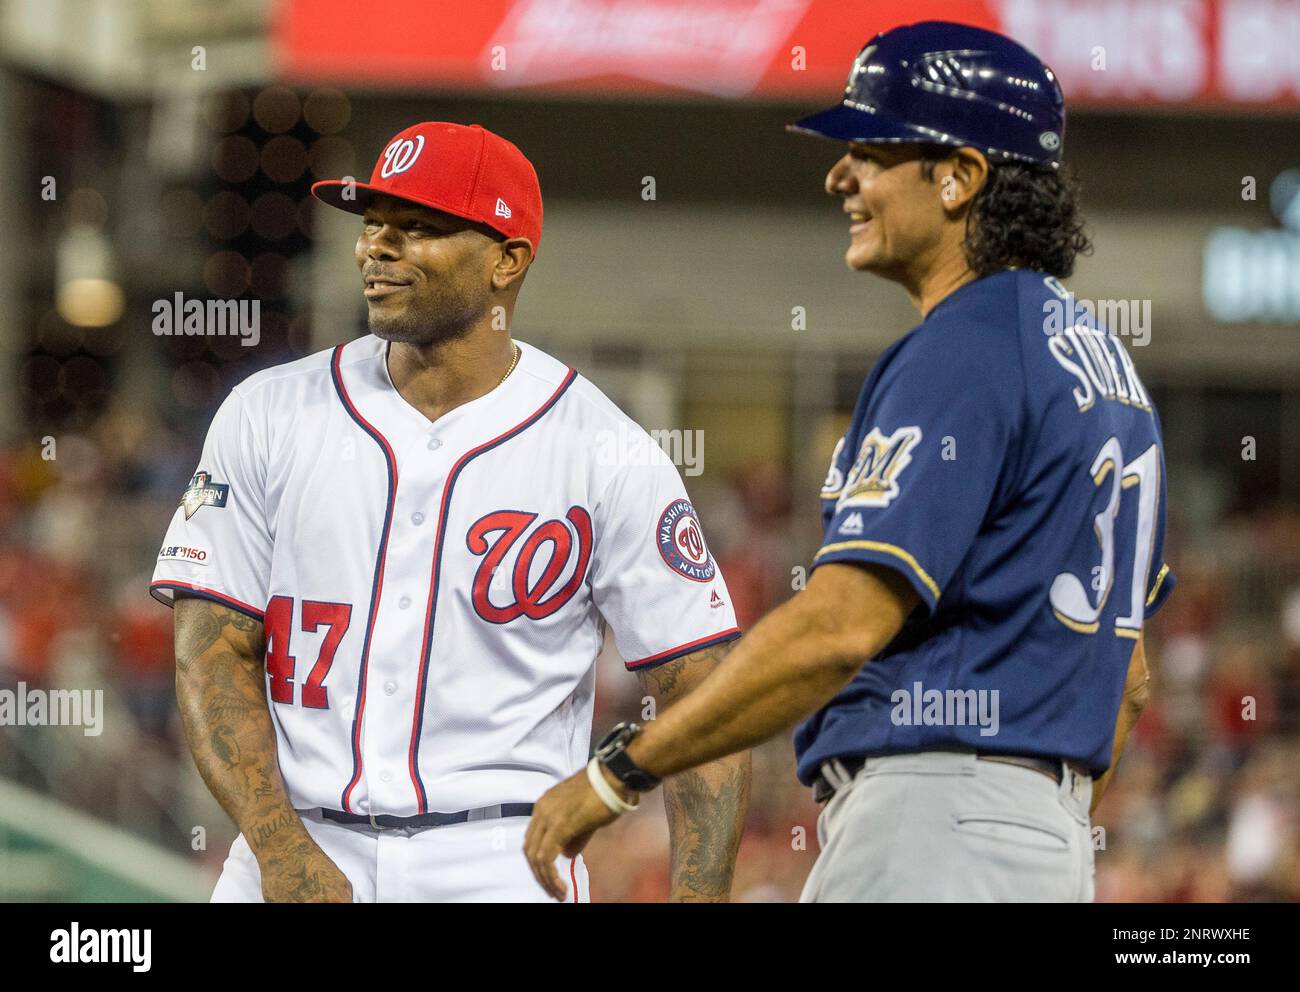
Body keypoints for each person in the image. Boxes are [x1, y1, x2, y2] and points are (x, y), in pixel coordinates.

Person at [524, 21, 1173, 903]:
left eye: (870, 150)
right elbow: (1129, 682)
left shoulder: (967, 346)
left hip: (933, 825)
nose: (840, 176)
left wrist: (617, 774)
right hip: (1042, 838)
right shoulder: (1106, 365)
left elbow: (836, 629)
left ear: (960, 176)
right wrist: (1022, 814)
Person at [151, 121, 749, 902]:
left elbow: (703, 698)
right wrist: (279, 846)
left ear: (508, 259)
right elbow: (211, 651)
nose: (377, 248)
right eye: (373, 224)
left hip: (501, 855)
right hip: (292, 833)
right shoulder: (267, 413)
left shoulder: (607, 451)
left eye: (419, 228)